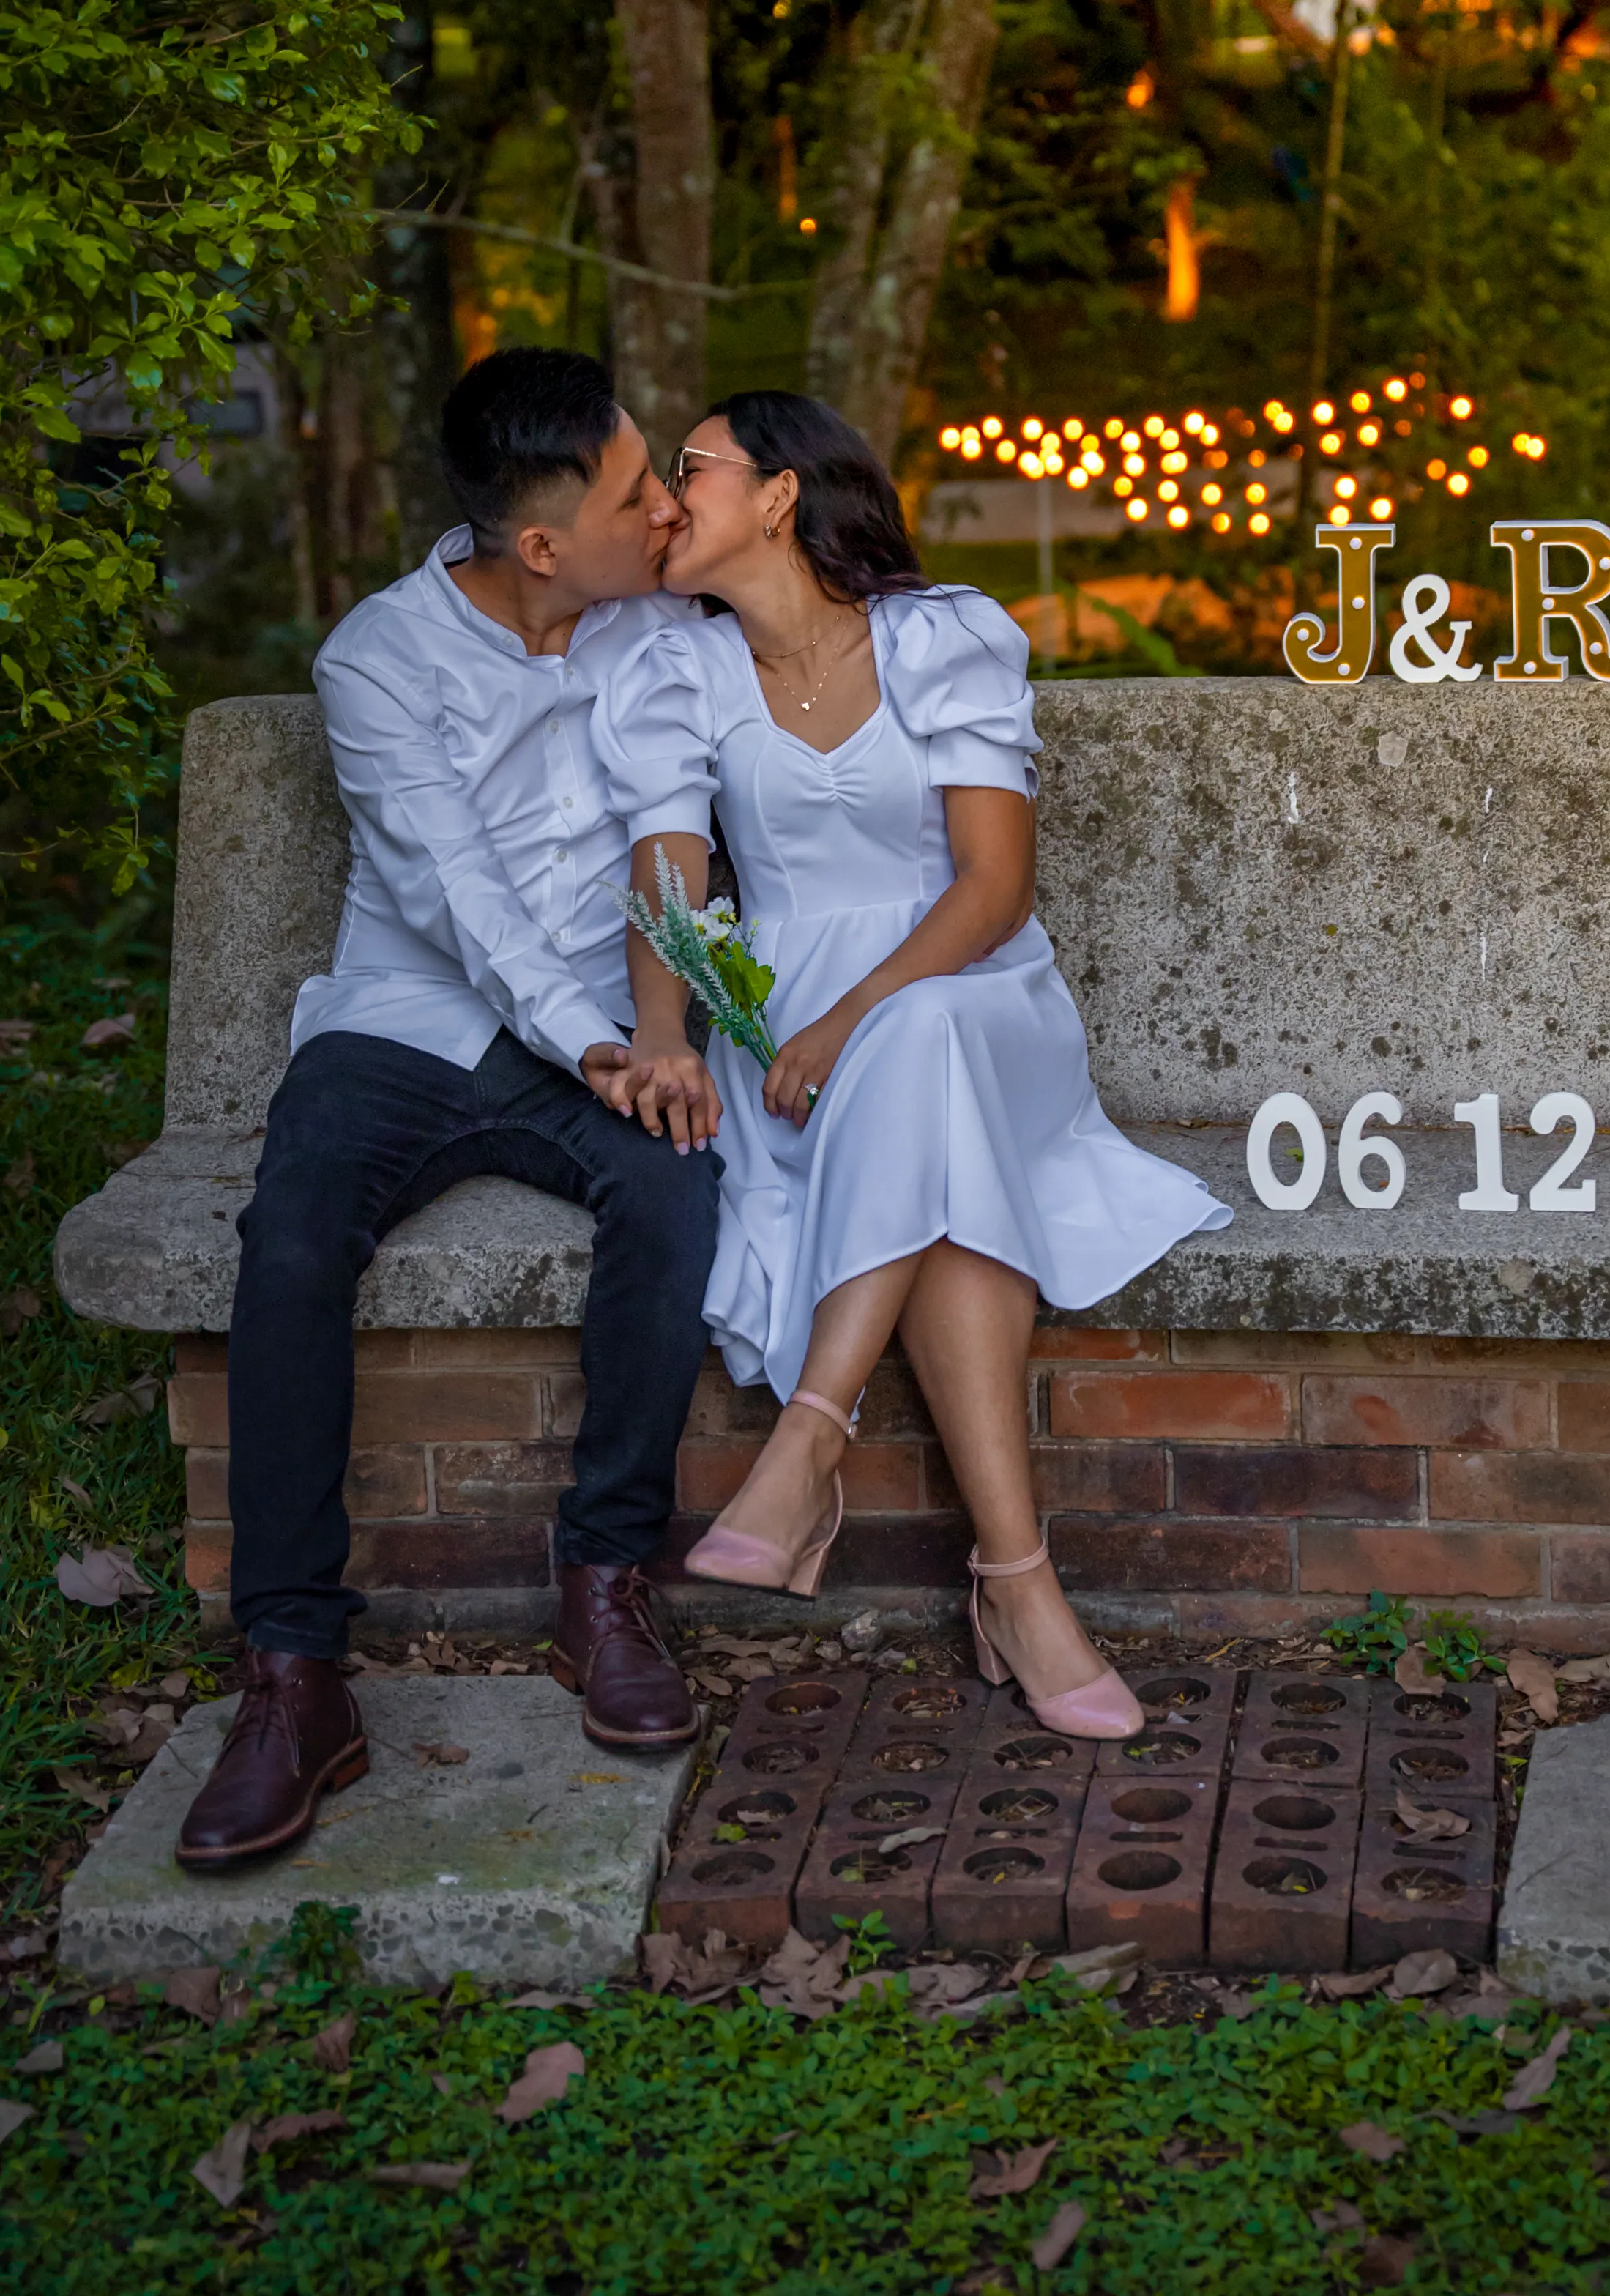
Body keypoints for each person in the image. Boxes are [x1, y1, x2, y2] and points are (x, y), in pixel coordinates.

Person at [589, 390, 1230, 1740]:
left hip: (976, 1001)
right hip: (791, 1064)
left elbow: (994, 889)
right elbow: (670, 882)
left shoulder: (943, 640)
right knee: (942, 1199)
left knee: (922, 1042)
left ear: (774, 495)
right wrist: (663, 1036)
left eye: (688, 472)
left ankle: (810, 1438)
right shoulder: (674, 669)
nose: (662, 503)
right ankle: (1017, 1581)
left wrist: (850, 1020)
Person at [176, 351, 725, 1872]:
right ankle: (295, 1672)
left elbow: (670, 836)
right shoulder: (378, 657)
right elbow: (453, 892)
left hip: (606, 1024)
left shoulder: (655, 626)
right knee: (288, 1238)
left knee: (679, 1186)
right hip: (405, 1025)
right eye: (635, 492)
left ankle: (605, 1577)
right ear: (539, 542)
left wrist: (654, 1038)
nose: (665, 506)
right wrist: (588, 1044)